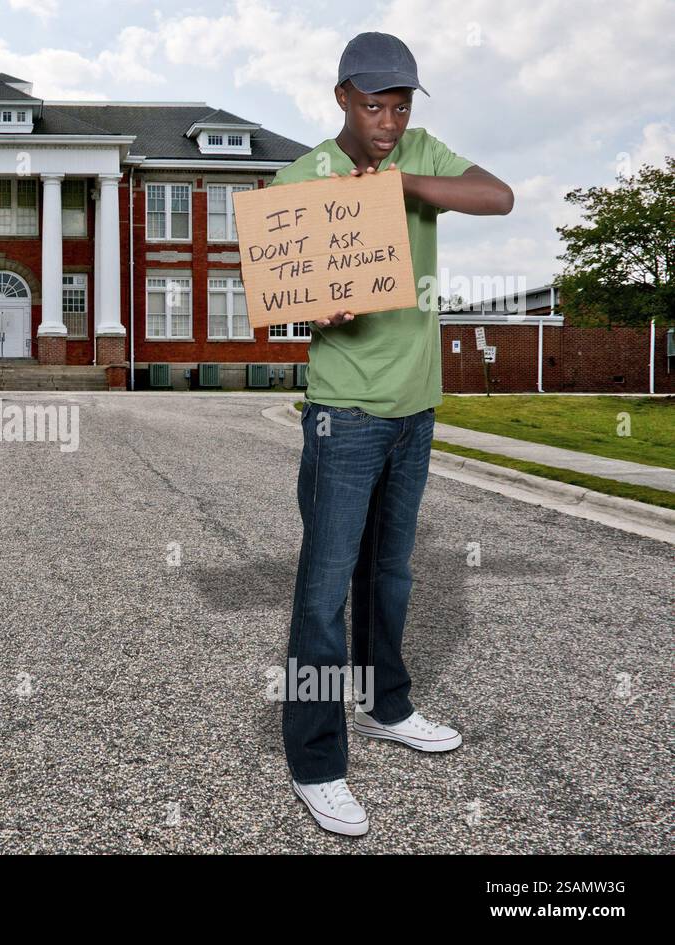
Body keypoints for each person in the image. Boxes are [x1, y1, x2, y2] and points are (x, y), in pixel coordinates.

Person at [271, 31, 514, 837]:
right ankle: (315, 761)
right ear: (342, 96)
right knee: (322, 592)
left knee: (392, 574)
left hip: (417, 406)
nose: (388, 118)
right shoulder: (303, 179)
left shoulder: (415, 150)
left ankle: (386, 706)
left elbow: (498, 196)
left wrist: (406, 183)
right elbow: (281, 299)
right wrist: (317, 305)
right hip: (345, 412)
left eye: (401, 103)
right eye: (374, 104)